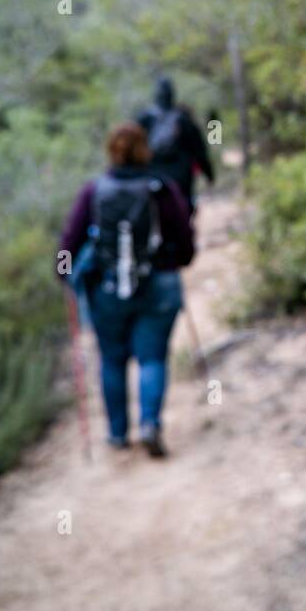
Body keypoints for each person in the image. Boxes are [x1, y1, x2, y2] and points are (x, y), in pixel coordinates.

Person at [58, 122, 194, 457]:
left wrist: (64, 275)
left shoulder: (94, 191)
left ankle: (117, 434)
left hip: (106, 291)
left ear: (111, 150)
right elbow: (186, 242)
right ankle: (149, 424)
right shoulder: (162, 188)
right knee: (151, 357)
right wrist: (177, 259)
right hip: (158, 285)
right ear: (144, 149)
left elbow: (68, 243)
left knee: (112, 360)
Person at [135, 76, 213, 210]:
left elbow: (131, 148)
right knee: (184, 208)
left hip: (151, 175)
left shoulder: (143, 118)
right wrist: (209, 174)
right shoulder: (183, 119)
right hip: (181, 177)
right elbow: (199, 149)